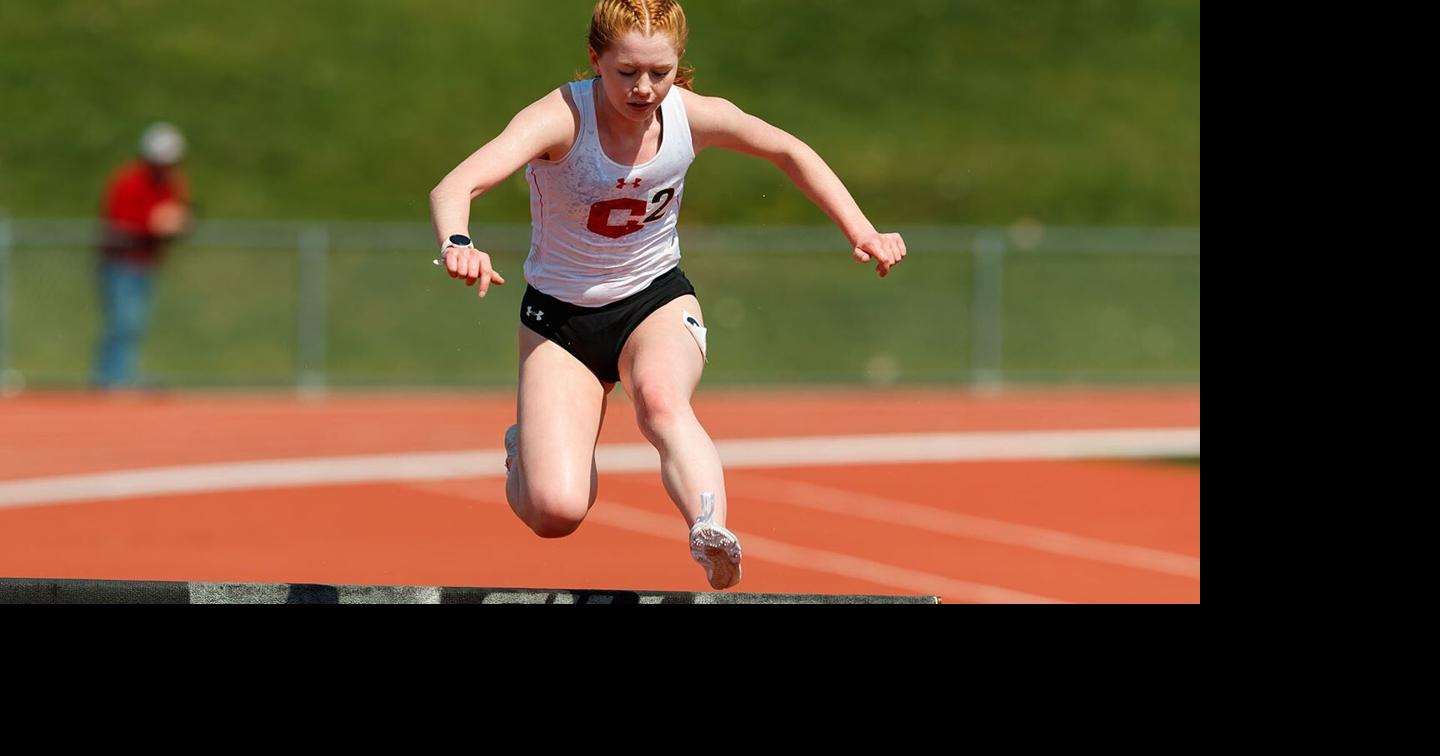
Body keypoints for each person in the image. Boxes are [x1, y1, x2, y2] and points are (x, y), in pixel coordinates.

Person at [428, 0, 906, 590]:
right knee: (557, 512)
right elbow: (457, 183)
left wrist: (861, 230)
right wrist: (457, 240)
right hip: (561, 318)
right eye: (626, 72)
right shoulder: (560, 119)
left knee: (660, 400)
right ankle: (523, 450)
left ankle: (710, 527)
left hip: (654, 298)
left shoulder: (693, 115)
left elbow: (789, 150)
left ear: (678, 62)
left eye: (660, 71)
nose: (644, 88)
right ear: (595, 59)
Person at [93, 122, 190, 389]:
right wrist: (153, 225)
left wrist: (179, 225)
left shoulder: (173, 184)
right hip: (120, 263)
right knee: (123, 321)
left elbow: (178, 215)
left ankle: (122, 376)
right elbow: (118, 224)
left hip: (147, 263)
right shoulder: (128, 181)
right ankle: (111, 379)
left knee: (136, 324)